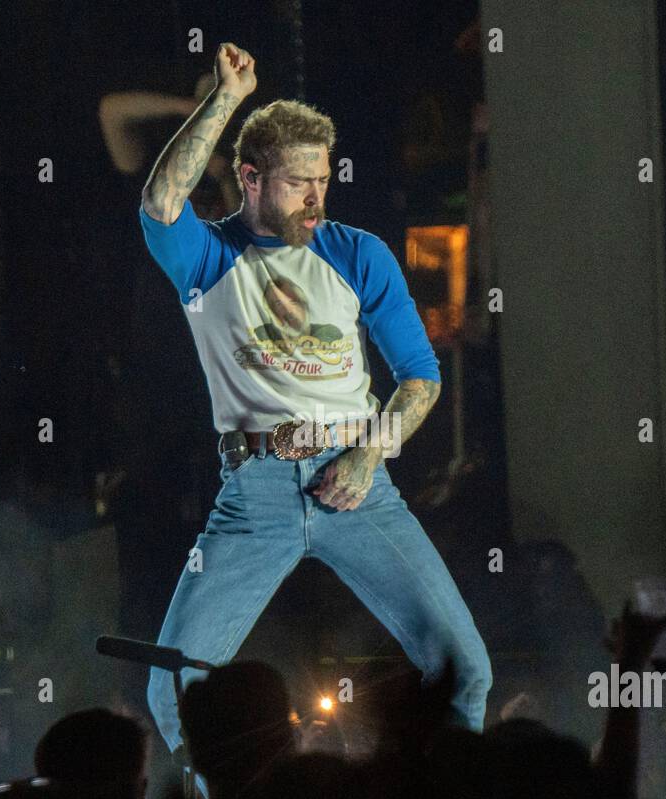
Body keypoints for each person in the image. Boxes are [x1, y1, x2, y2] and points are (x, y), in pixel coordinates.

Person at [137, 43, 492, 760]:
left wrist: (367, 456)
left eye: (323, 180)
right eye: (298, 182)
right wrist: (224, 99)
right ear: (250, 177)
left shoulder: (358, 252)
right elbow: (160, 200)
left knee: (467, 670)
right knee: (170, 688)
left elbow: (421, 377)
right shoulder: (207, 257)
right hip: (254, 492)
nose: (315, 198)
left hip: (360, 483)